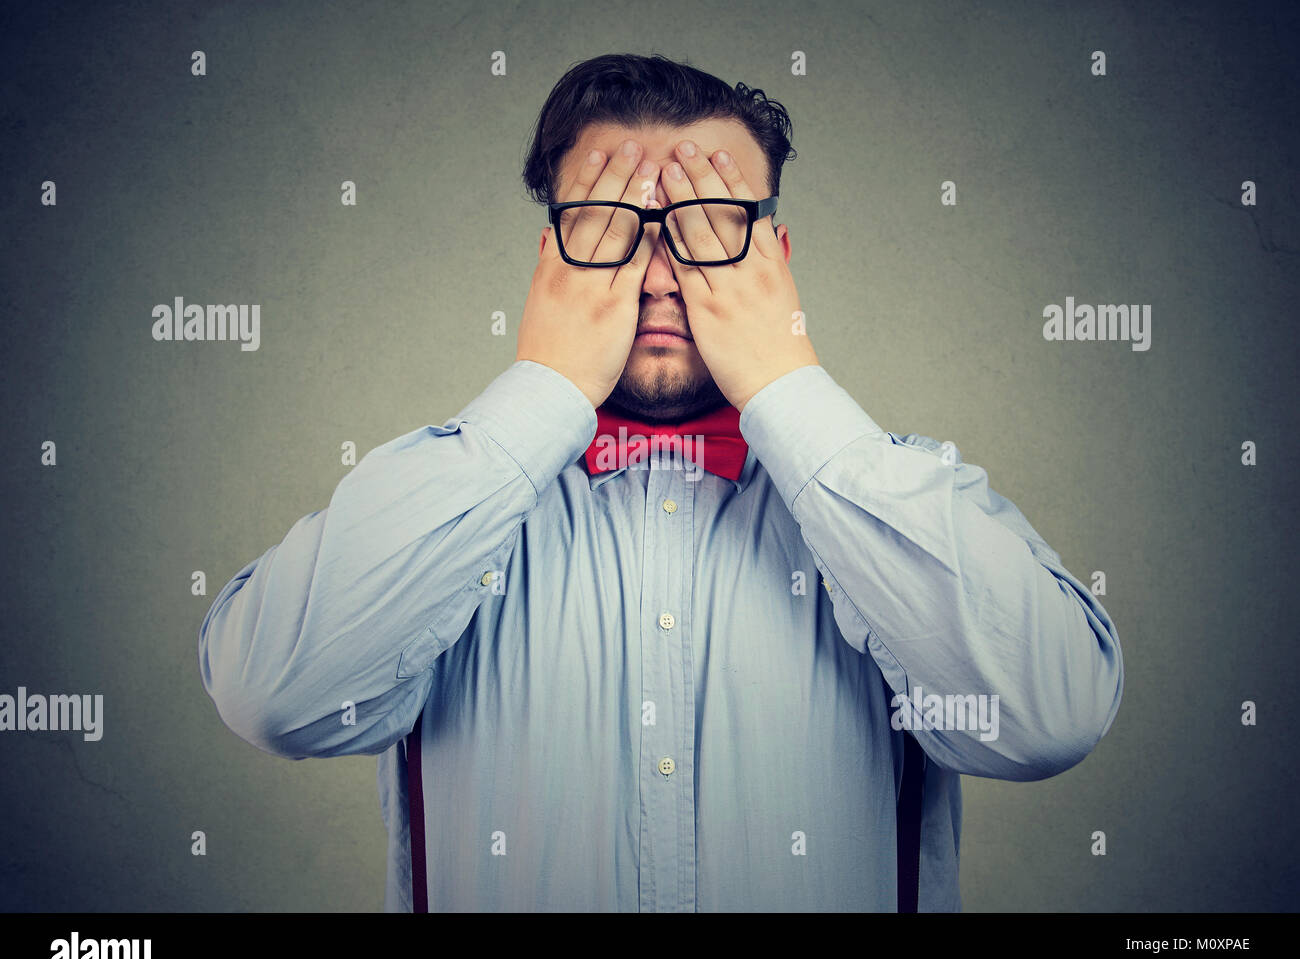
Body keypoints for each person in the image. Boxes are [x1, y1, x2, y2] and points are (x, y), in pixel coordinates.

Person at [198, 53, 1124, 912]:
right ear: (549, 263)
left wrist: (786, 381)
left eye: (709, 228)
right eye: (606, 227)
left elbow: (1049, 717)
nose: (658, 277)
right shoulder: (444, 510)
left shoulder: (898, 497)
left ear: (777, 260)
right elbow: (273, 695)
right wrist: (542, 388)